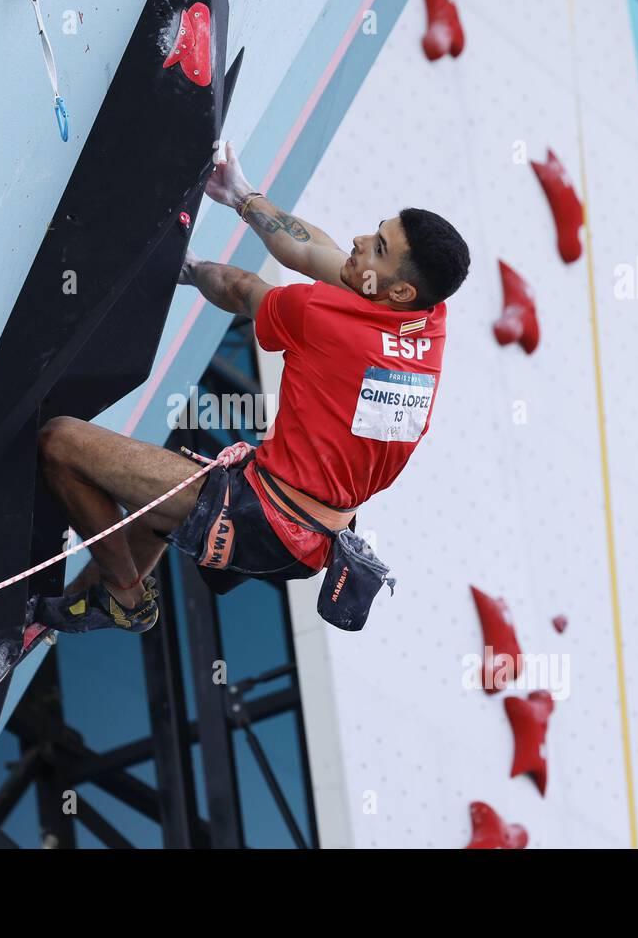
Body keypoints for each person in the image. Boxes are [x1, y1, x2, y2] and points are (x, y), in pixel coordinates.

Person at [31, 142, 470, 633]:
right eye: (377, 229)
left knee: (61, 442)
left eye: (379, 247)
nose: (360, 239)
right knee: (153, 509)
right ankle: (55, 616)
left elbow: (241, 290)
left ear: (402, 290)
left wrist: (186, 267)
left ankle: (125, 600)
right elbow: (311, 251)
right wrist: (240, 194)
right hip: (320, 532)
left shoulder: (331, 326)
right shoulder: (425, 321)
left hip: (270, 519)